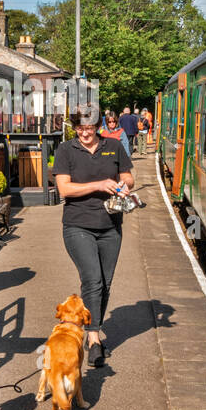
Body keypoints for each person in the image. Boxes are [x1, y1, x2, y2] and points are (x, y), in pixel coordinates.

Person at [51, 110, 135, 367]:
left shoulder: (113, 145)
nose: (85, 133)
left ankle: (91, 329)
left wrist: (125, 185)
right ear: (75, 127)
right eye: (80, 128)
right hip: (78, 225)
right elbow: (64, 188)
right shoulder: (66, 150)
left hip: (110, 225)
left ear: (98, 126)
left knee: (105, 283)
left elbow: (129, 175)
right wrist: (99, 185)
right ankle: (94, 339)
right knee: (92, 279)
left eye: (90, 128)